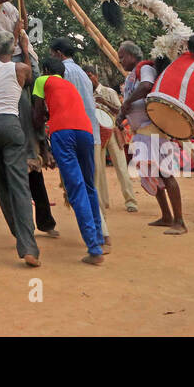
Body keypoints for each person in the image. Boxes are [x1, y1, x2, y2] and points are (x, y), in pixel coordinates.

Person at [34, 57, 106, 264]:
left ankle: (94, 249)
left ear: (46, 70)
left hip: (63, 133)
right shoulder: (70, 86)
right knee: (90, 186)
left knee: (76, 188)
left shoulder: (42, 81)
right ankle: (98, 238)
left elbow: (37, 116)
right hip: (85, 131)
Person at [0, 31, 41, 267]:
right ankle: (27, 246)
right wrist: (24, 48)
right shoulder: (21, 69)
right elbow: (33, 79)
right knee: (20, 186)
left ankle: (17, 230)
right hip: (11, 125)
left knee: (0, 182)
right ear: (12, 49)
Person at [49, 39, 112, 246]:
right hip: (89, 133)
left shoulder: (62, 74)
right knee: (89, 186)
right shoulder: (85, 76)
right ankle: (101, 234)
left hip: (69, 133)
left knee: (78, 188)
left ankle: (95, 240)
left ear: (58, 54)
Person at [119, 41, 186, 235]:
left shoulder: (145, 68)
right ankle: (166, 216)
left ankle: (179, 221)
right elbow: (130, 101)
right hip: (142, 132)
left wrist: (127, 104)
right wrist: (121, 115)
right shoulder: (132, 76)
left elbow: (147, 86)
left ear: (133, 55)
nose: (121, 61)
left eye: (122, 56)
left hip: (153, 130)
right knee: (153, 173)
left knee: (165, 173)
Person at [88, 72, 139, 212]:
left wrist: (104, 102)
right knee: (99, 169)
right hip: (97, 134)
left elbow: (120, 110)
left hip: (112, 131)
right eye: (86, 76)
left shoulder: (108, 91)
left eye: (90, 75)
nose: (89, 79)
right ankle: (103, 202)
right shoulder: (86, 94)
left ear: (96, 76)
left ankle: (131, 201)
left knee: (121, 167)